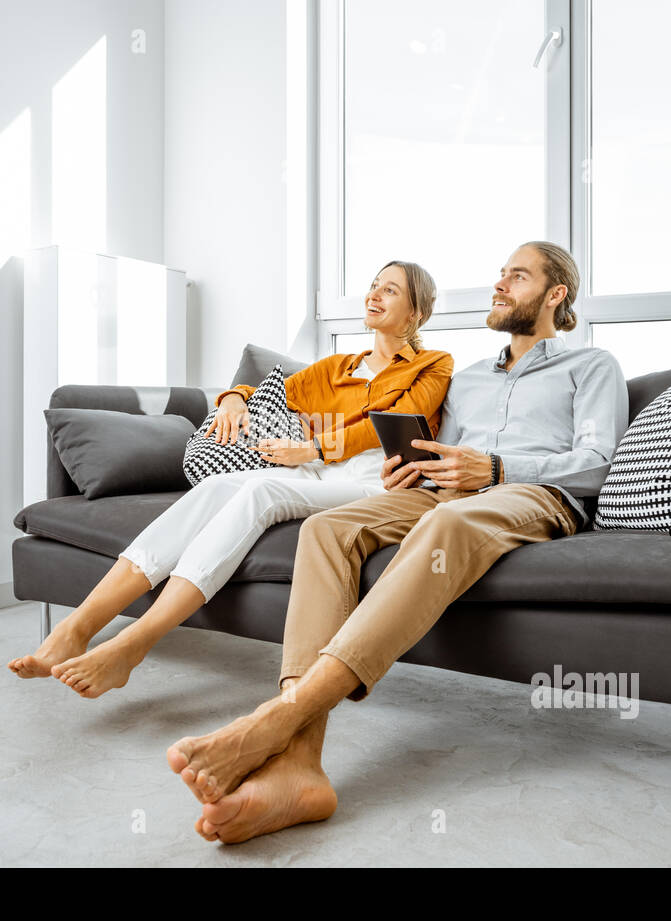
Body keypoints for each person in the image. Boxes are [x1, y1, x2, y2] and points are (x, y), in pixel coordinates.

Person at [165, 241, 630, 844]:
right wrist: (406, 469)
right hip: (444, 493)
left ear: (555, 294)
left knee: (445, 524)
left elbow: (596, 462)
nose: (500, 284)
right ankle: (300, 767)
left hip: (532, 494)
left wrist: (492, 470)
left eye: (517, 276)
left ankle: (277, 720)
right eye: (500, 274)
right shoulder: (467, 381)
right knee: (329, 527)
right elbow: (441, 454)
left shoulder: (591, 367)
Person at [8, 261, 454, 698]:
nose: (374, 294)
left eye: (390, 290)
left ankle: (134, 643)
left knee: (262, 487)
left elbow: (392, 421)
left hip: (377, 479)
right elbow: (257, 389)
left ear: (416, 312)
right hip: (319, 471)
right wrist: (231, 401)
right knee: (217, 486)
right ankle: (76, 627)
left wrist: (316, 448)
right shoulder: (337, 368)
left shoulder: (434, 363)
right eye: (374, 285)